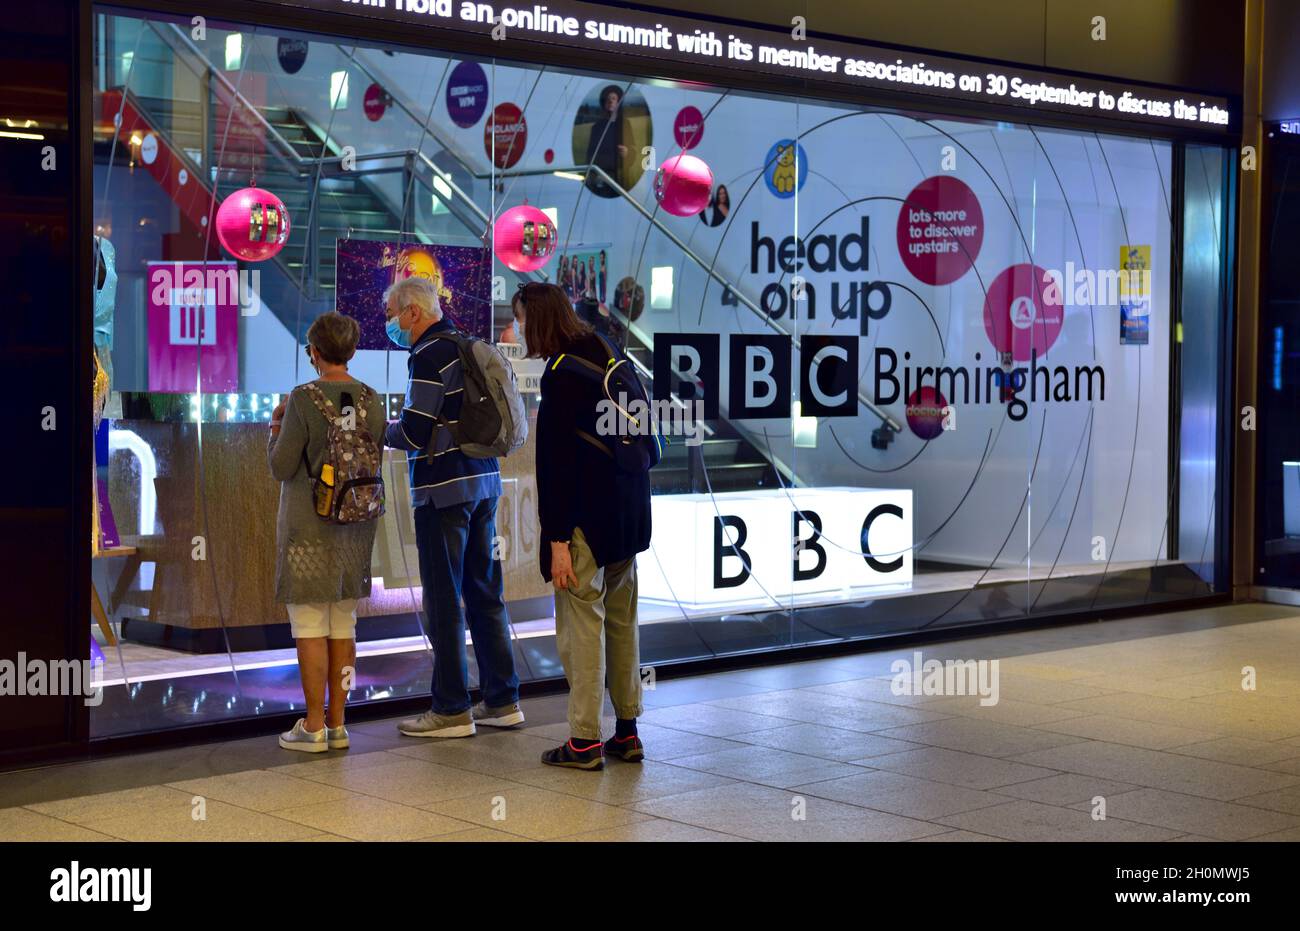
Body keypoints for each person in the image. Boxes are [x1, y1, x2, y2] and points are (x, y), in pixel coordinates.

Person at [382, 276, 523, 737]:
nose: (390, 323)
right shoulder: (463, 343)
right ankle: (502, 699)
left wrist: (373, 430)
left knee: (443, 598)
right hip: (484, 483)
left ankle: (451, 708)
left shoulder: (427, 354)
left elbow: (414, 432)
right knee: (484, 591)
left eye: (392, 314)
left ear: (413, 313)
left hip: (443, 490)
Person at [522, 282, 651, 770]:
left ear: (537, 322)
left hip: (586, 519)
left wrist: (557, 539)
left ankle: (583, 741)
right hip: (630, 509)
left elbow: (554, 466)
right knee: (622, 623)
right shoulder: (607, 347)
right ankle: (627, 732)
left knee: (582, 627)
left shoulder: (560, 374)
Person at [269, 312, 386, 752]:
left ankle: (313, 725)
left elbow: (282, 466)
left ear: (315, 353)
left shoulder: (302, 399)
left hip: (308, 528)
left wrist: (275, 427)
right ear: (352, 351)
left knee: (309, 626)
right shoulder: (372, 399)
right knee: (343, 625)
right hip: (356, 529)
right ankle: (338, 724)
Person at [585, 84, 627, 194]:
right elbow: (590, 154)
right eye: (608, 99)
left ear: (618, 102)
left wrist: (627, 152)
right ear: (604, 104)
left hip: (620, 177)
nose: (610, 101)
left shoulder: (625, 125)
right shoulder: (597, 127)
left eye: (613, 99)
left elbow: (634, 150)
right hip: (600, 176)